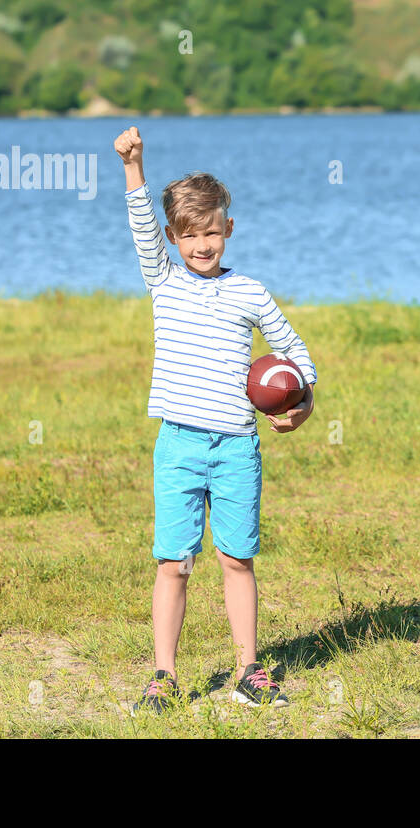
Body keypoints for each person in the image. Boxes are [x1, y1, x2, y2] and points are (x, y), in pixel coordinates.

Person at [113, 126, 316, 713]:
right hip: (177, 446)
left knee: (236, 558)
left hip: (236, 448)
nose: (202, 244)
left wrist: (302, 403)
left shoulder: (250, 293)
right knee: (174, 562)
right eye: (190, 234)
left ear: (229, 228)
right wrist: (135, 165)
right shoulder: (165, 281)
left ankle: (250, 671)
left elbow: (296, 354)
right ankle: (162, 676)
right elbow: (141, 227)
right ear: (175, 238)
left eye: (212, 231)